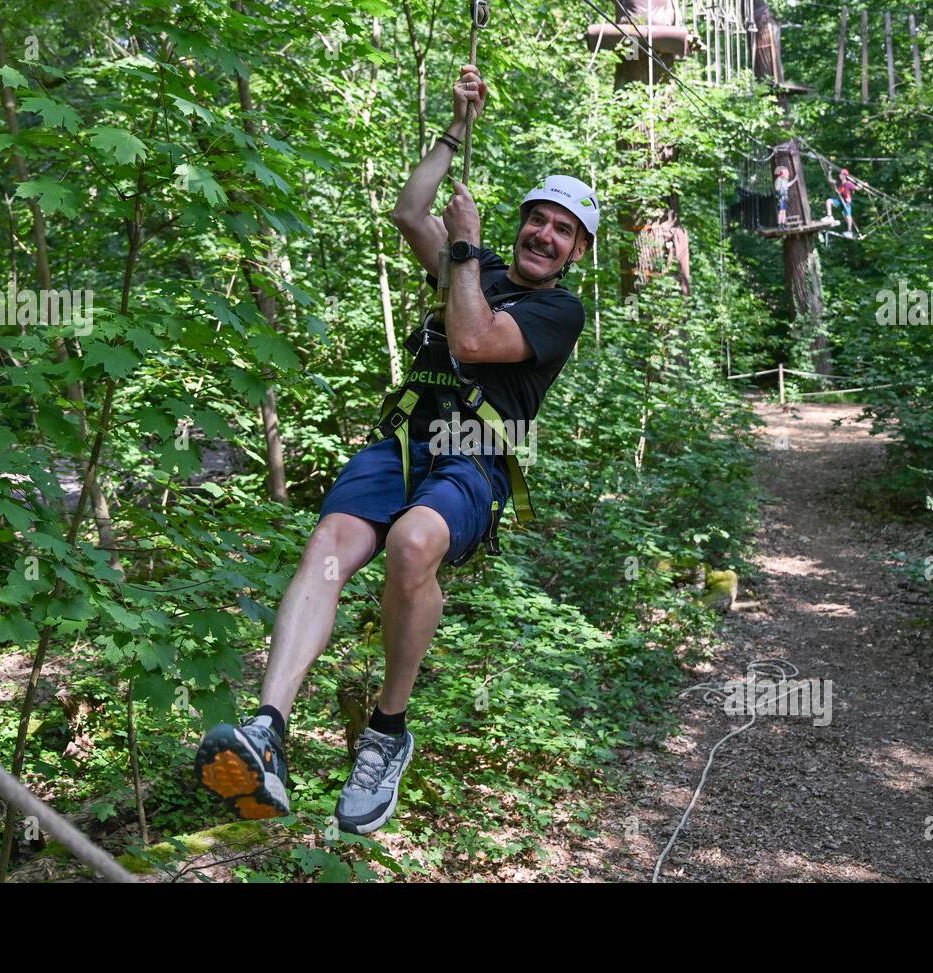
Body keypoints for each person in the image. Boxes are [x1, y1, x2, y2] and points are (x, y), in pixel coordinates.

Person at [192, 64, 597, 836]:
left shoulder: (559, 311)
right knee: (328, 549)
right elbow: (410, 210)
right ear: (522, 225)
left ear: (576, 251)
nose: (545, 234)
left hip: (473, 460)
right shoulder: (468, 266)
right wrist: (455, 128)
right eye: (537, 219)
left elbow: (476, 339)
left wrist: (467, 252)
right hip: (406, 441)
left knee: (415, 543)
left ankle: (386, 731)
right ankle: (268, 730)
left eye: (563, 229)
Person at [836, 167, 860, 237]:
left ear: (844, 176)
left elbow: (857, 188)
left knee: (848, 215)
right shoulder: (840, 183)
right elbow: (830, 180)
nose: (839, 175)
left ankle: (849, 231)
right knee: (845, 215)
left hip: (847, 202)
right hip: (841, 201)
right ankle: (849, 231)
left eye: (840, 174)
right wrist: (829, 173)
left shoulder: (848, 183)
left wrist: (863, 185)